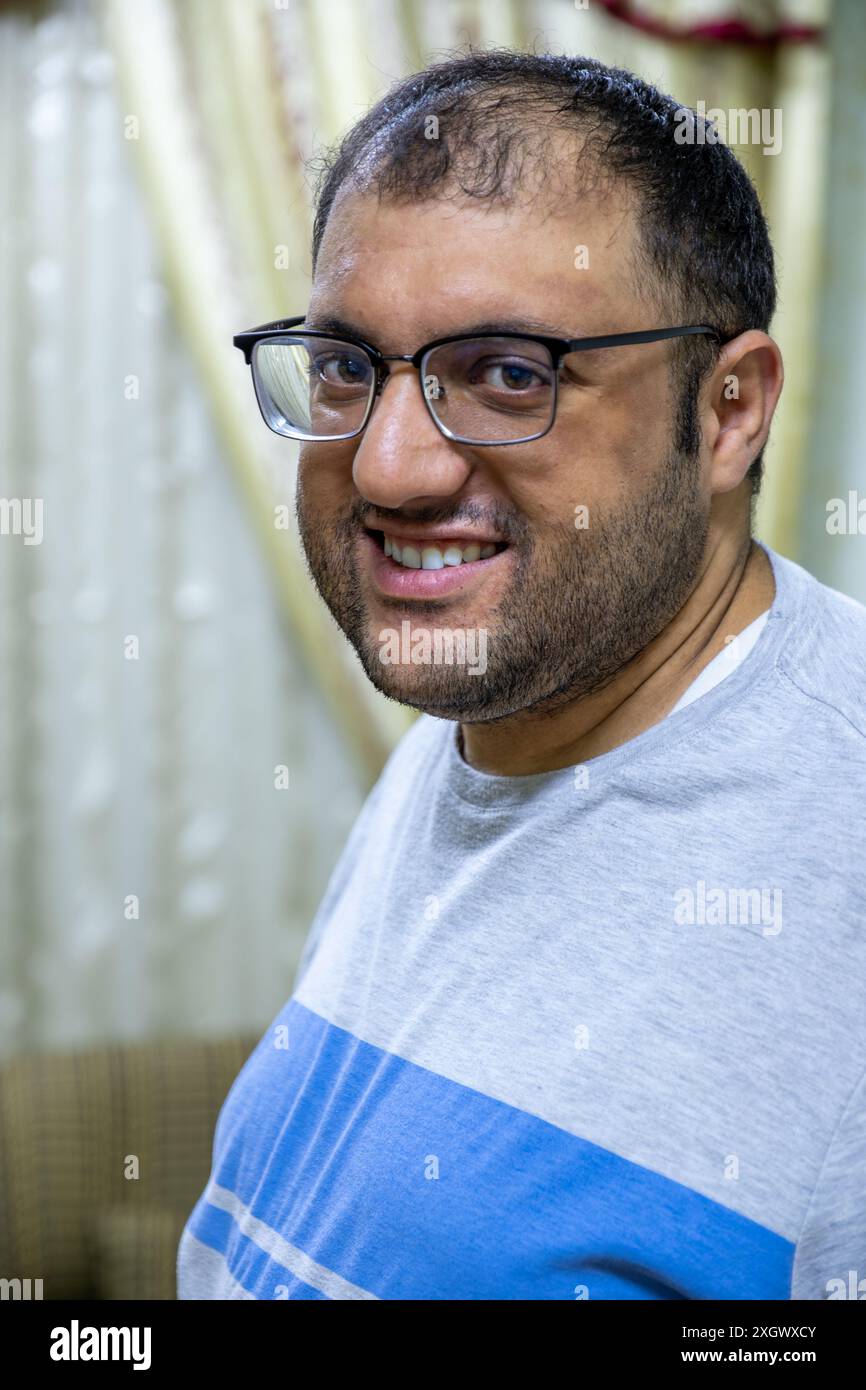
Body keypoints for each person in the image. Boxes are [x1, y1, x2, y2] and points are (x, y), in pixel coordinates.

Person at [178, 51, 866, 1301]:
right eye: (343, 365)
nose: (387, 469)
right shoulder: (487, 708)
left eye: (508, 374)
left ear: (726, 411)